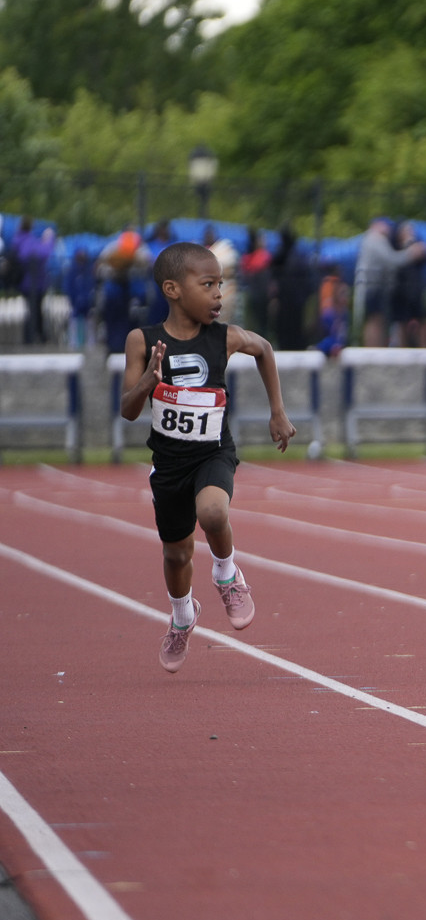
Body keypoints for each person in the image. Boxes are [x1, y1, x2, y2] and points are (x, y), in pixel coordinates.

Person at [118, 243, 296, 673]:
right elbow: (127, 409)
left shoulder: (226, 336)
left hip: (214, 452)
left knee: (214, 513)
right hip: (169, 464)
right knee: (177, 554)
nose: (220, 294)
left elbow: (265, 349)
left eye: (222, 284)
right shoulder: (142, 340)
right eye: (209, 284)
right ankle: (182, 616)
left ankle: (226, 573)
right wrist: (148, 381)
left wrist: (278, 410)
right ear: (173, 289)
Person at [353, 218, 398, 347]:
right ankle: (373, 349)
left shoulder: (368, 240)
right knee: (375, 320)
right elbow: (391, 259)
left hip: (371, 285)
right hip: (372, 285)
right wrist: (411, 253)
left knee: (376, 320)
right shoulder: (375, 239)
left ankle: (374, 348)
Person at [389, 221, 426, 349]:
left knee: (423, 322)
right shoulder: (394, 248)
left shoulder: (418, 245)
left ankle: (424, 350)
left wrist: (418, 249)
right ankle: (403, 351)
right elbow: (395, 263)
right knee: (401, 324)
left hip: (416, 290)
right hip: (400, 291)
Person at [271, 226, 312, 353]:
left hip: (293, 301)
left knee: (293, 329)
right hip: (290, 301)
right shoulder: (289, 255)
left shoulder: (294, 256)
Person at [15, 223, 55, 345]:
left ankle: (34, 337)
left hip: (29, 284)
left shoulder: (19, 241)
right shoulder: (30, 242)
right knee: (34, 312)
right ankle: (33, 337)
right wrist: (49, 239)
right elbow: (43, 253)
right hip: (33, 284)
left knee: (33, 311)